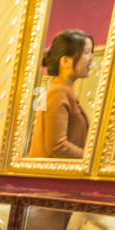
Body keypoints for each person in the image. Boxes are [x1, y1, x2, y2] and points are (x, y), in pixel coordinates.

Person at [28, 29, 93, 159]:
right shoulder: (58, 92)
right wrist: (90, 158)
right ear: (65, 61)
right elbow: (57, 146)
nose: (91, 57)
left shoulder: (62, 90)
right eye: (86, 52)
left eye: (91, 52)